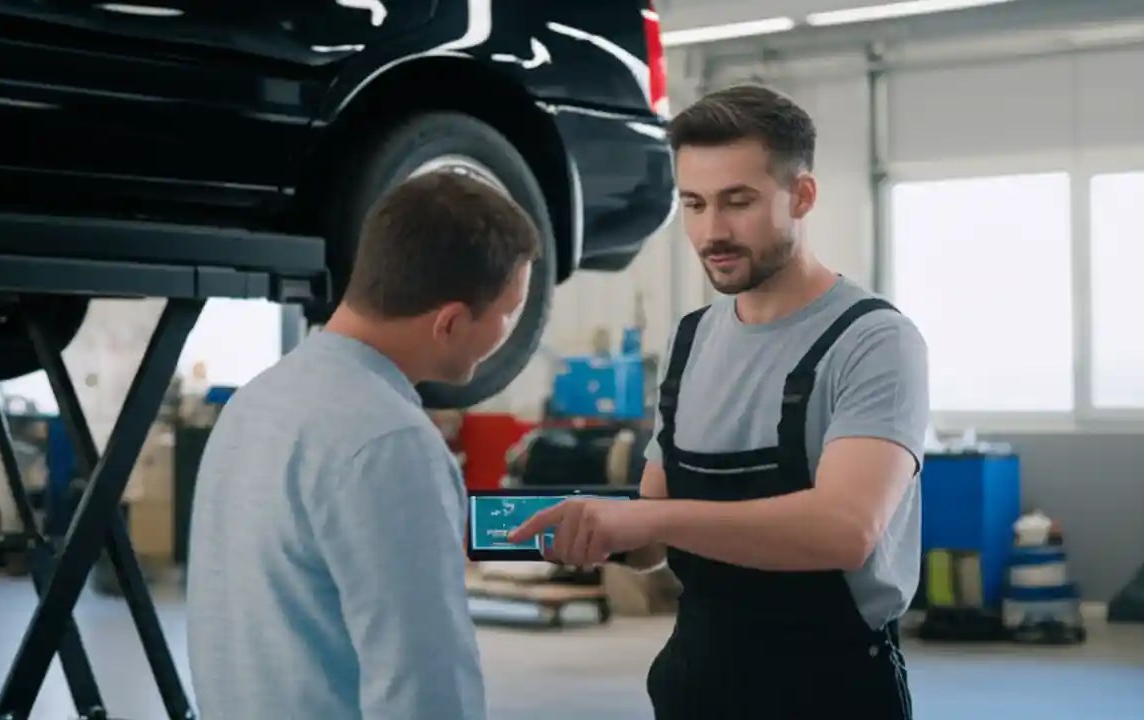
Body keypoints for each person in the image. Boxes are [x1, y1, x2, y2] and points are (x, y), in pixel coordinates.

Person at [508, 84, 929, 719]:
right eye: (694, 204)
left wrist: (650, 521)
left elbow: (845, 531)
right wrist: (590, 528)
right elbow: (650, 545)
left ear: (802, 196)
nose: (713, 232)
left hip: (830, 690)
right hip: (696, 683)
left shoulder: (873, 341)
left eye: (739, 202)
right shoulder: (689, 340)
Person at [186, 170, 539, 719]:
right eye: (509, 312)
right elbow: (424, 681)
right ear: (449, 323)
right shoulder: (391, 440)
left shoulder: (256, 404)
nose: (508, 333)